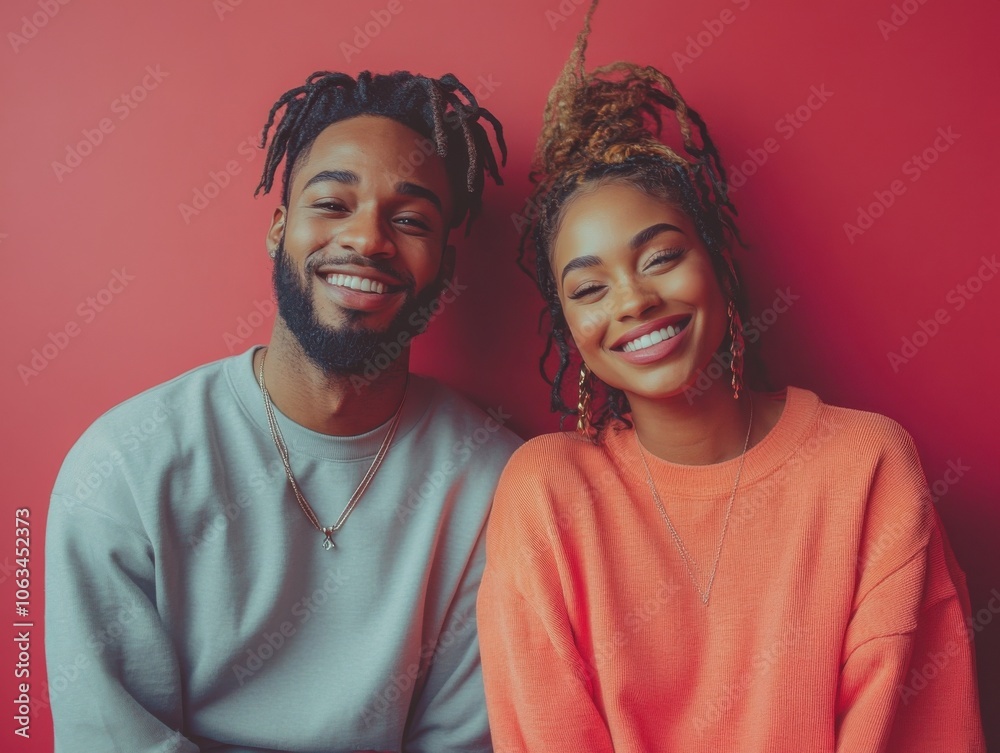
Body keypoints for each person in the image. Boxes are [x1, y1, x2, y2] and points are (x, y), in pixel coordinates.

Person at [476, 3, 986, 751]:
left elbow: (922, 729)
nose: (633, 301)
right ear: (571, 331)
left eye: (660, 257)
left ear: (715, 263)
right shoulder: (546, 495)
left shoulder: (865, 466)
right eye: (589, 289)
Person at [45, 68, 519, 753]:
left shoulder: (497, 486)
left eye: (410, 219)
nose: (368, 239)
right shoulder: (125, 465)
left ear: (444, 266)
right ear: (279, 228)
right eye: (331, 203)